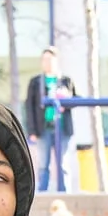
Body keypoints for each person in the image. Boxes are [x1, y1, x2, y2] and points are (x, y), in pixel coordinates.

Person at [25, 46, 75, 192]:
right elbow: (29, 107)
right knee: (42, 165)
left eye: (50, 59)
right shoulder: (35, 82)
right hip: (43, 129)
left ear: (56, 61)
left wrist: (67, 98)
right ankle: (43, 193)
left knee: (63, 164)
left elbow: (77, 100)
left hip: (63, 128)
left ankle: (66, 193)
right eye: (45, 59)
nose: (47, 62)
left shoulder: (66, 81)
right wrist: (32, 130)